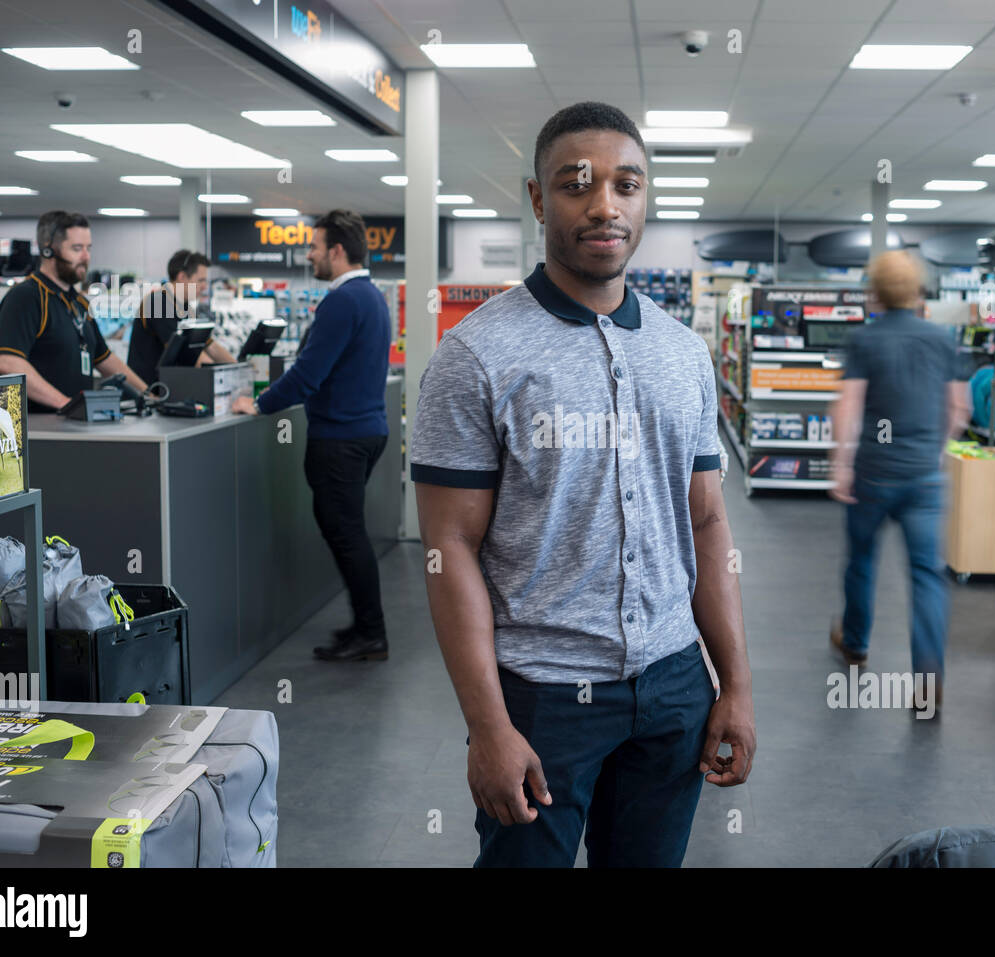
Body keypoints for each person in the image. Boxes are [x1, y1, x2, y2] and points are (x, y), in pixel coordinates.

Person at [411, 101, 756, 868]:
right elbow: (450, 548)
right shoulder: (476, 356)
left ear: (645, 198)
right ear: (538, 199)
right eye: (577, 184)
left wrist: (734, 682)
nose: (605, 204)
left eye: (626, 185)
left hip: (672, 688)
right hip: (542, 697)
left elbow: (706, 523)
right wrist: (490, 725)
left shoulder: (683, 353)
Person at [231, 210, 392, 662]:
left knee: (348, 537)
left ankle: (372, 632)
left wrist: (258, 404)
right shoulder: (371, 297)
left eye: (315, 248)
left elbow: (307, 375)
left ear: (337, 252)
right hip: (365, 432)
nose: (310, 256)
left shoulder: (342, 301)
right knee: (350, 534)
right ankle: (365, 626)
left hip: (340, 439)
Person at [827, 250, 971, 714]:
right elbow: (959, 410)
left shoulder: (865, 340)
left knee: (862, 561)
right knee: (928, 576)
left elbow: (848, 406)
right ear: (918, 291)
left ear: (875, 293)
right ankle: (928, 680)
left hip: (873, 474)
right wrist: (934, 448)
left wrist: (841, 464)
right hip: (924, 478)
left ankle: (855, 643)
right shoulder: (942, 339)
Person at [0, 210, 149, 411]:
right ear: (48, 251)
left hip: (75, 425)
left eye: (88, 248)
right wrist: (66, 404)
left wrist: (148, 394)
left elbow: (105, 358)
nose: (86, 257)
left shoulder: (79, 303)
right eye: (77, 249)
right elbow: (8, 362)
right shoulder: (26, 297)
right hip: (41, 428)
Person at [126, 249, 236, 386]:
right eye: (201, 280)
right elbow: (190, 355)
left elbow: (210, 346)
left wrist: (238, 369)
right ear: (182, 277)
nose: (205, 287)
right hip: (148, 394)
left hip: (167, 391)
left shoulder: (185, 308)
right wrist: (222, 379)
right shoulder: (158, 303)